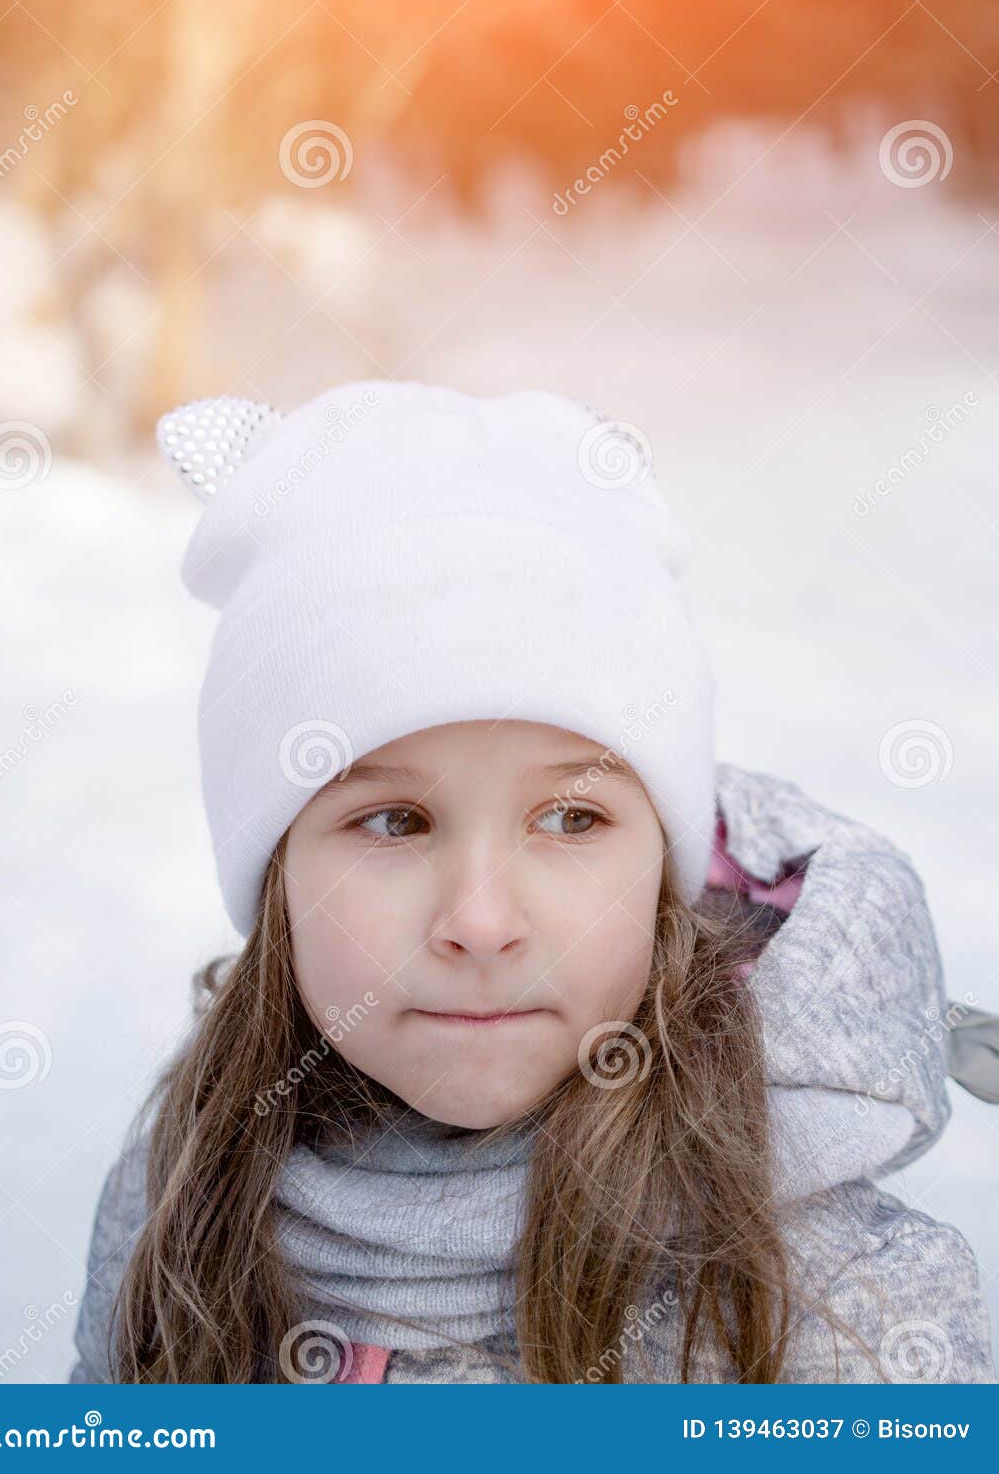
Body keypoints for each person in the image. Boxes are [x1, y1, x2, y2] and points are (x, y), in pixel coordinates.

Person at [68, 381, 996, 1384]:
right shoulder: (179, 1205)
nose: (480, 921)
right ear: (277, 874)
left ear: (662, 871)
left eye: (569, 819)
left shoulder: (832, 1307)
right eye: (393, 820)